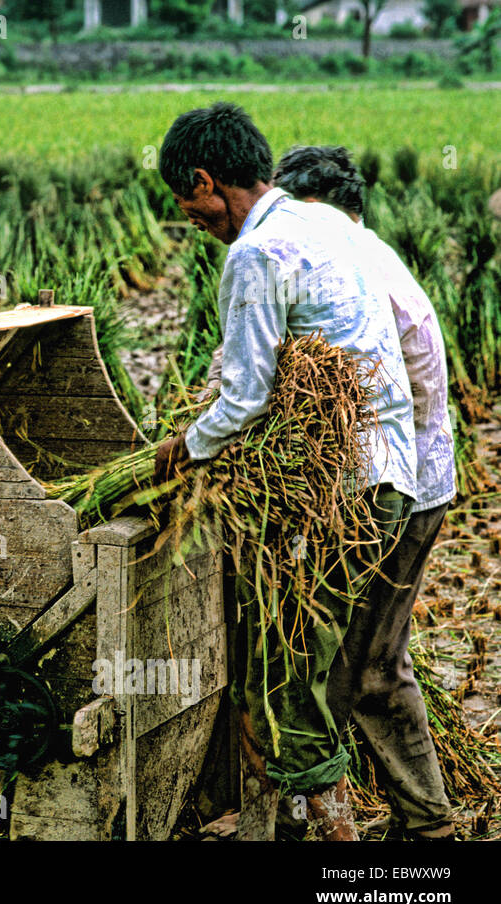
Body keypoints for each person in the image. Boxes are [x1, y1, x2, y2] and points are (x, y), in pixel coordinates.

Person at [153, 103, 418, 840]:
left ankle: (339, 849)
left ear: (206, 180)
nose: (194, 221)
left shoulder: (255, 255)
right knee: (306, 660)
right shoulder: (319, 222)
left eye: (189, 206)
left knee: (281, 680)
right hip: (392, 479)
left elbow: (244, 393)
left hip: (338, 495)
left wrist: (185, 444)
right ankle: (294, 819)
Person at [270, 145, 456, 840]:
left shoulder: (342, 264)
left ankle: (389, 827)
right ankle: (418, 820)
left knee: (348, 668)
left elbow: (366, 394)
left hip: (395, 485)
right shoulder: (364, 249)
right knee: (369, 659)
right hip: (416, 478)